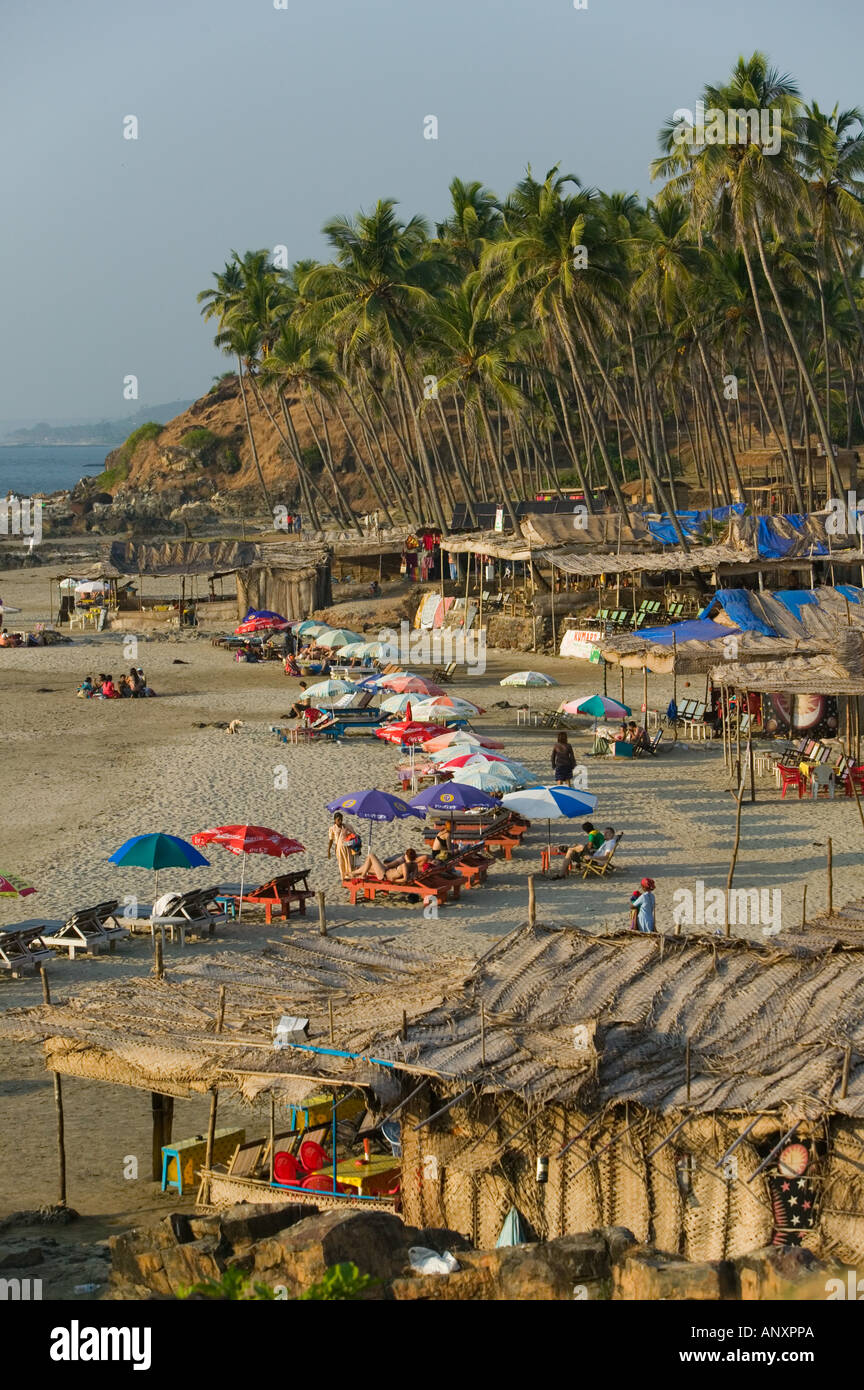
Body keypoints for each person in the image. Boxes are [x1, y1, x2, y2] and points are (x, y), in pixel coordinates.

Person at [327, 812, 360, 879]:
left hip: (347, 847)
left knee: (349, 862)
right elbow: (331, 840)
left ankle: (350, 877)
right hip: (338, 849)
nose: (340, 821)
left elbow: (354, 834)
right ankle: (343, 879)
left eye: (341, 819)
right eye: (338, 820)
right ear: (335, 820)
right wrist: (329, 850)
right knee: (341, 863)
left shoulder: (346, 826)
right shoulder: (332, 829)